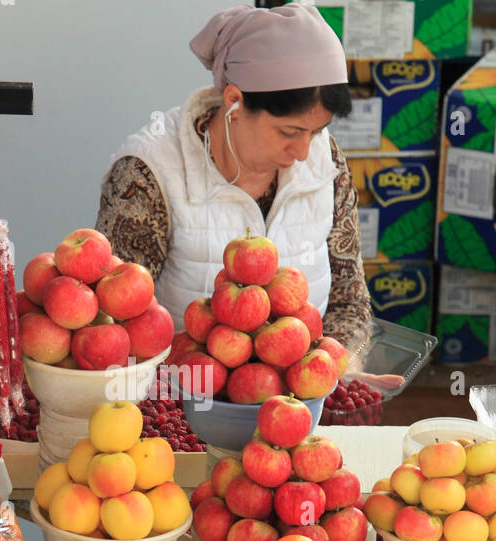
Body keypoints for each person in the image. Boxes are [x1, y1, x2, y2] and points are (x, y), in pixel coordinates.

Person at [96, 3, 382, 368]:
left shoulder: (325, 160)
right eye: (289, 132)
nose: (303, 151)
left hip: (299, 404)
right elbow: (116, 322)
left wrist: (342, 368)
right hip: (179, 405)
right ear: (234, 101)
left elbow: (348, 298)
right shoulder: (147, 173)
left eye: (317, 130)